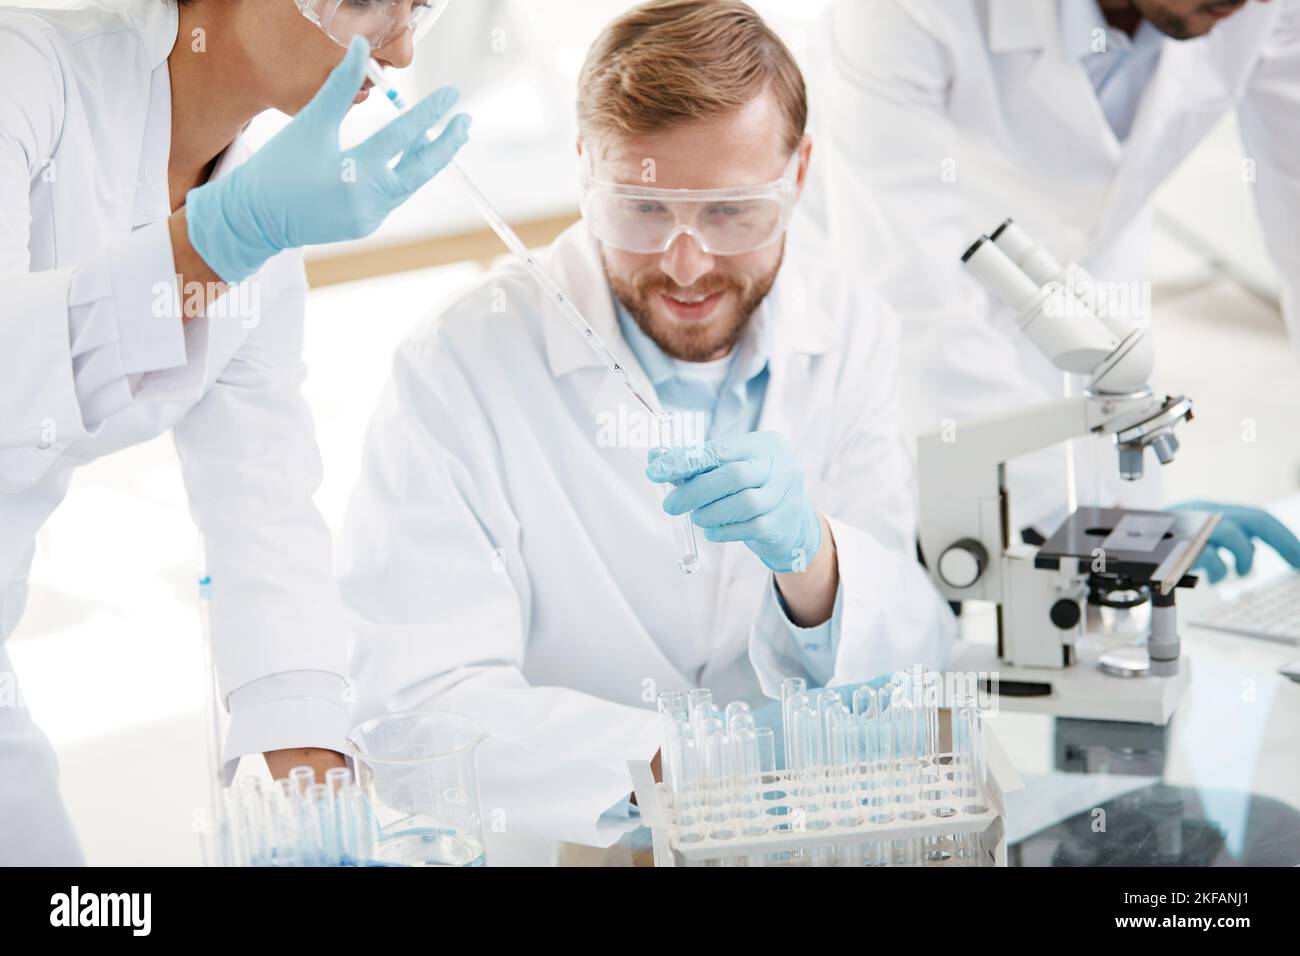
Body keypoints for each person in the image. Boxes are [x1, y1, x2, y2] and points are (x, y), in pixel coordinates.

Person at [337, 0, 957, 847]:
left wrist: (816, 563)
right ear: (586, 168)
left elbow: (913, 651)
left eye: (734, 211)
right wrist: (682, 766)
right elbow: (415, 709)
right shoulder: (456, 367)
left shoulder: (851, 329)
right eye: (644, 209)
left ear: (800, 175)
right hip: (573, 851)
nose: (687, 262)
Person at [0, 0, 469, 864]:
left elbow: (264, 521)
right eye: (373, 2)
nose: (400, 51)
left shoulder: (262, 227)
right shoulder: (22, 76)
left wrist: (323, 802)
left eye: (420, 11)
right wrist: (215, 243)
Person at [813, 0, 1300, 580]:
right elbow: (914, 298)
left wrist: (1115, 529)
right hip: (893, 320)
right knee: (915, 589)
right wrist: (1089, 526)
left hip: (1081, 300)